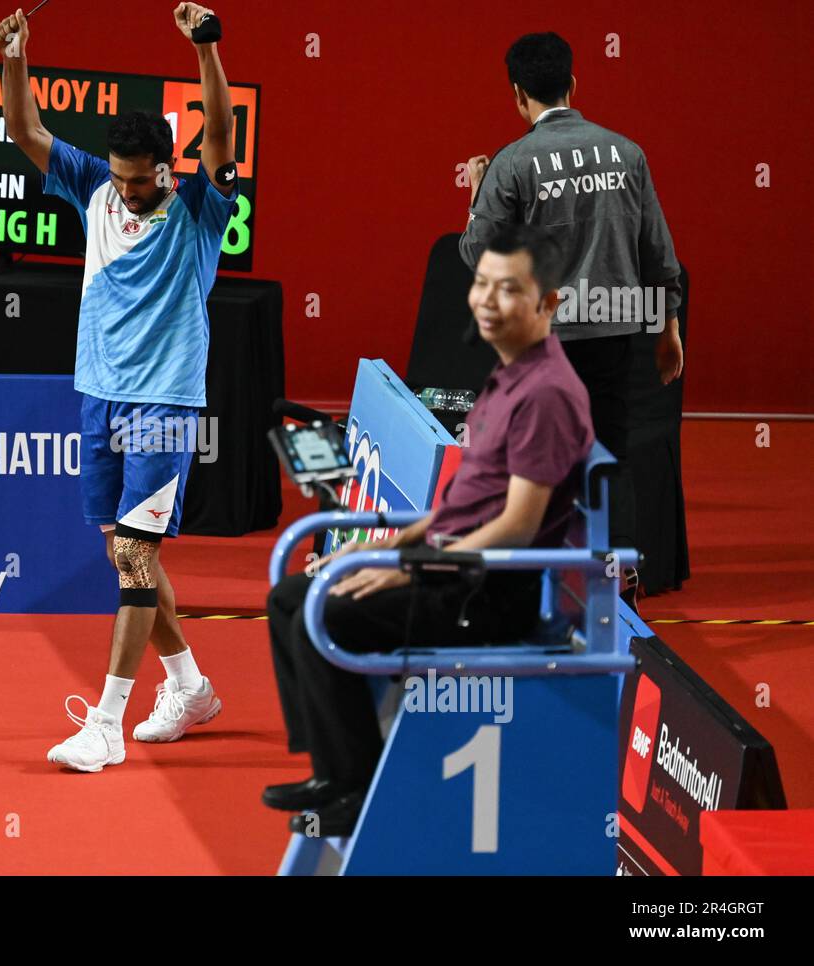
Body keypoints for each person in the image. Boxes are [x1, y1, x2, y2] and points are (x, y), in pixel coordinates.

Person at [264, 225, 594, 835]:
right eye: (482, 285)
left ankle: (358, 793)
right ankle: (333, 772)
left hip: (485, 592)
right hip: (451, 564)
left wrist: (407, 568)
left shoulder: (546, 394)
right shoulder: (507, 373)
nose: (488, 302)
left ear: (550, 303)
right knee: (289, 600)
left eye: (509, 290)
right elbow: (471, 503)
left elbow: (517, 527)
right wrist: (399, 540)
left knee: (323, 614)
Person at [0, 4, 240, 771]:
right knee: (124, 556)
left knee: (135, 555)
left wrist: (206, 48)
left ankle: (104, 724)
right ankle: (190, 685)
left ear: (168, 167)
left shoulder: (201, 209)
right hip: (98, 394)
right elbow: (25, 131)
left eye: (143, 181)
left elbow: (223, 133)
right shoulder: (95, 189)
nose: (130, 192)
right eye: (124, 179)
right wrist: (14, 58)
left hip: (166, 403)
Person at [459, 31, 683, 601]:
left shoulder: (511, 164)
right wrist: (669, 330)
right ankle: (617, 570)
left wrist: (476, 192)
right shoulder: (626, 152)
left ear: (517, 94)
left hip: (546, 341)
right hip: (614, 331)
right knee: (607, 448)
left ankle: (536, 582)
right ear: (573, 83)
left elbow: (476, 253)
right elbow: (658, 251)